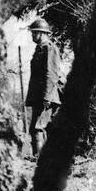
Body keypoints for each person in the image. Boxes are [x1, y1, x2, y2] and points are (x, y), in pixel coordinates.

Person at [24, 19, 63, 156]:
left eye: (34, 33)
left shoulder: (49, 48)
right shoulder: (40, 49)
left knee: (37, 128)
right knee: (41, 128)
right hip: (40, 96)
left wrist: (46, 97)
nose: (32, 36)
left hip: (47, 96)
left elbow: (51, 74)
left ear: (41, 33)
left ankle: (38, 161)